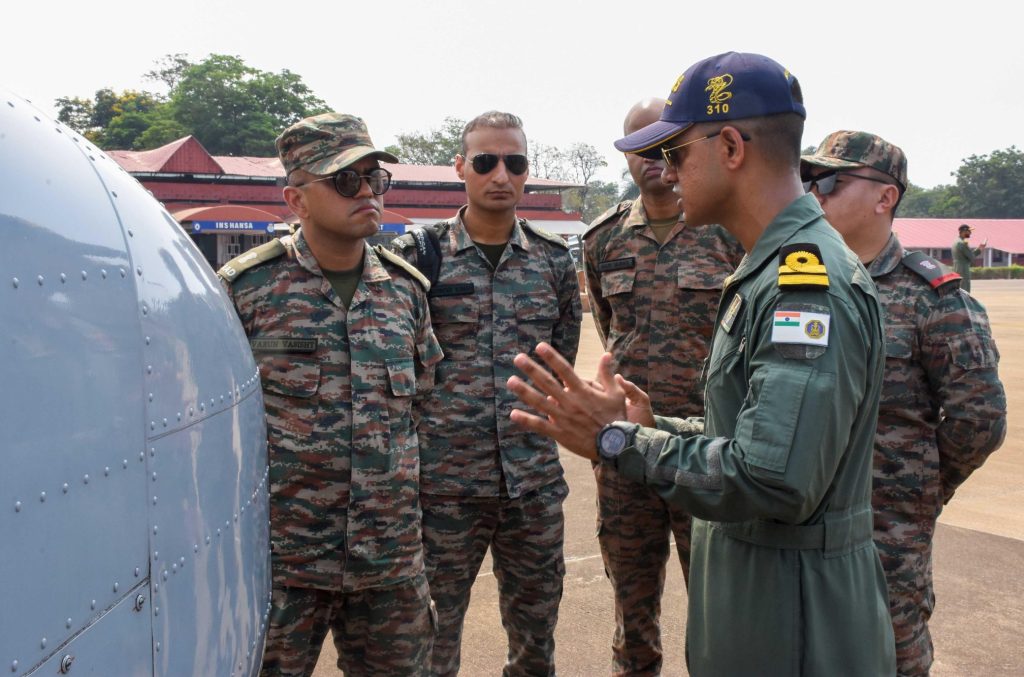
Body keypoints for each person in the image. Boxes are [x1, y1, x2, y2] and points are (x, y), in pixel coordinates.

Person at [506, 52, 896, 675]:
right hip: (762, 611)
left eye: (678, 151)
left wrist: (617, 441)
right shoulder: (767, 268)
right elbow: (750, 437)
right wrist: (653, 426)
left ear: (733, 146)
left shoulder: (804, 285)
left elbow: (772, 477)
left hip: (793, 627)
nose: (666, 170)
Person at [219, 113, 443, 677]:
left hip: (389, 561)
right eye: (346, 181)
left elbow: (420, 409)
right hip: (284, 564)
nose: (367, 192)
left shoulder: (406, 292)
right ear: (297, 199)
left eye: (376, 178)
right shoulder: (245, 291)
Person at [802, 130, 1007, 676]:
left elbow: (978, 419)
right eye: (807, 182)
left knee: (891, 651)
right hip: (802, 518)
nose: (813, 194)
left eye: (828, 181)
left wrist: (920, 487)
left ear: (884, 196)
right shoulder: (801, 283)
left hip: (886, 526)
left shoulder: (932, 298)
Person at [392, 111, 582, 676]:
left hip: (532, 485)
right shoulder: (421, 256)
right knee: (432, 636)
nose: (501, 174)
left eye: (515, 162)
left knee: (535, 637)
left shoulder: (552, 262)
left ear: (527, 172)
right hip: (445, 487)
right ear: (461, 167)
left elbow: (560, 361)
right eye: (485, 161)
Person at [583, 97, 744, 676]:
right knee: (631, 602)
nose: (654, 158)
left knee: (720, 604)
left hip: (706, 451)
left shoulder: (726, 233)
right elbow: (609, 329)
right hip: (628, 450)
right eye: (641, 145)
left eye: (666, 144)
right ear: (626, 154)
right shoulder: (602, 239)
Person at [951, 223, 986, 292]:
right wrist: (980, 249)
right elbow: (971, 257)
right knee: (964, 290)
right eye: (969, 231)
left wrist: (979, 249)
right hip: (963, 269)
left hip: (956, 268)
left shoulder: (956, 241)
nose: (970, 233)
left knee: (958, 290)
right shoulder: (962, 243)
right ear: (963, 231)